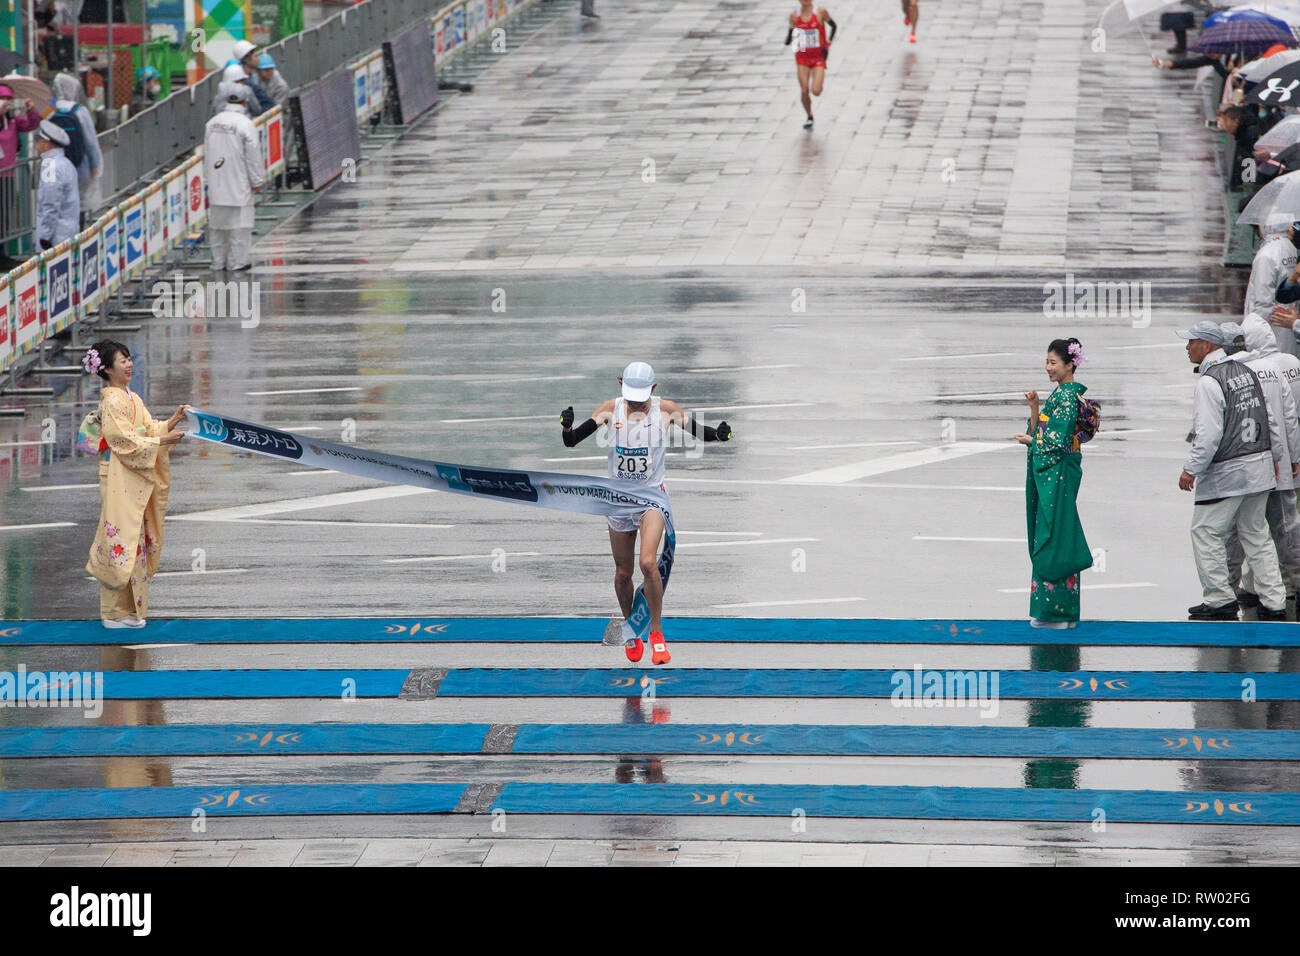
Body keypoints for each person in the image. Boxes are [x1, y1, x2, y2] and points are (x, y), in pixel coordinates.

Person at [559, 362, 732, 664]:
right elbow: (572, 441)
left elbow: (700, 433)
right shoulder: (610, 409)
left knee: (648, 563)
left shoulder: (665, 410)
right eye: (630, 395)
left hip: (652, 498)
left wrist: (719, 435)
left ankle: (656, 632)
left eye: (641, 396)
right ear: (621, 386)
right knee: (623, 572)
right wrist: (566, 426)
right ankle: (631, 630)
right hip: (618, 500)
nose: (636, 402)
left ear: (653, 389)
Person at [1176, 321, 1285, 621]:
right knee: (1256, 534)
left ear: (1207, 346)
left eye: (1192, 342)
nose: (1187, 348)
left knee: (1205, 531)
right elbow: (1270, 419)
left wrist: (1190, 469)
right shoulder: (1247, 373)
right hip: (1260, 467)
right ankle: (1274, 600)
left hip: (1228, 472)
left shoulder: (1210, 382)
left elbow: (1208, 436)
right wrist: (1274, 456)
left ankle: (1219, 599)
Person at [81, 341, 188, 629]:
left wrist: (170, 423)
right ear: (106, 368)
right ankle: (113, 612)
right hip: (116, 474)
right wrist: (161, 440)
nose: (128, 364)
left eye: (129, 358)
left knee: (133, 538)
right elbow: (122, 440)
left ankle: (127, 609)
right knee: (120, 537)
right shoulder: (112, 400)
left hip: (127, 475)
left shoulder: (129, 396)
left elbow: (147, 427)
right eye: (122, 360)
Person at [1013, 339, 1093, 628]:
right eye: (1047, 362)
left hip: (1057, 473)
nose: (1048, 367)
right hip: (1055, 472)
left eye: (1053, 362)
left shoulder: (1067, 398)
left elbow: (1055, 444)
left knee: (1055, 536)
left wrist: (1031, 441)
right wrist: (1035, 408)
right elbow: (1044, 435)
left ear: (1070, 364)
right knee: (1055, 533)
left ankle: (1057, 612)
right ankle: (1057, 611)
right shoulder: (1060, 395)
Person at [1225, 317, 1300, 614]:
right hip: (1286, 465)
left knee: (1243, 529)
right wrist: (1293, 457)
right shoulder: (1290, 363)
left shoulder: (1244, 371)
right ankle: (1292, 586)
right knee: (1286, 527)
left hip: (1253, 466)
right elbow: (1290, 419)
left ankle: (1232, 590)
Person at [203, 82, 264, 272]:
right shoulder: (245, 124)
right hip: (239, 184)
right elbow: (253, 156)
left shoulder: (212, 123)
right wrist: (257, 180)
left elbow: (207, 154)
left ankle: (218, 262)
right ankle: (237, 262)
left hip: (216, 184)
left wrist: (207, 181)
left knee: (217, 227)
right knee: (240, 227)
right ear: (245, 100)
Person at [50, 71, 103, 218]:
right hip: (80, 166)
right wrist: (95, 164)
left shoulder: (50, 109)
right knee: (79, 203)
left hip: (56, 167)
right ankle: (78, 233)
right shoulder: (80, 111)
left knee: (59, 203)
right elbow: (90, 141)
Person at [1246, 221, 1300, 356]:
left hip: (1274, 329)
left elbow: (1262, 303)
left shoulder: (1266, 254)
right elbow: (1284, 294)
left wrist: (1250, 334)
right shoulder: (1293, 249)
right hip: (1289, 325)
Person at [785, 0, 837, 130]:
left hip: (817, 57)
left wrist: (827, 43)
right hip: (802, 57)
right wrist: (790, 36)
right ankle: (809, 116)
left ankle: (819, 83)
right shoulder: (794, 15)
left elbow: (834, 26)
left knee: (816, 91)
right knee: (804, 90)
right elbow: (790, 36)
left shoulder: (820, 12)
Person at [34, 119, 79, 249]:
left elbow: (50, 203)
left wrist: (45, 235)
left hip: (55, 237)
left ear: (46, 144)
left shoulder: (50, 166)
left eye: (38, 142)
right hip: (68, 231)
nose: (37, 146)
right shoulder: (66, 163)